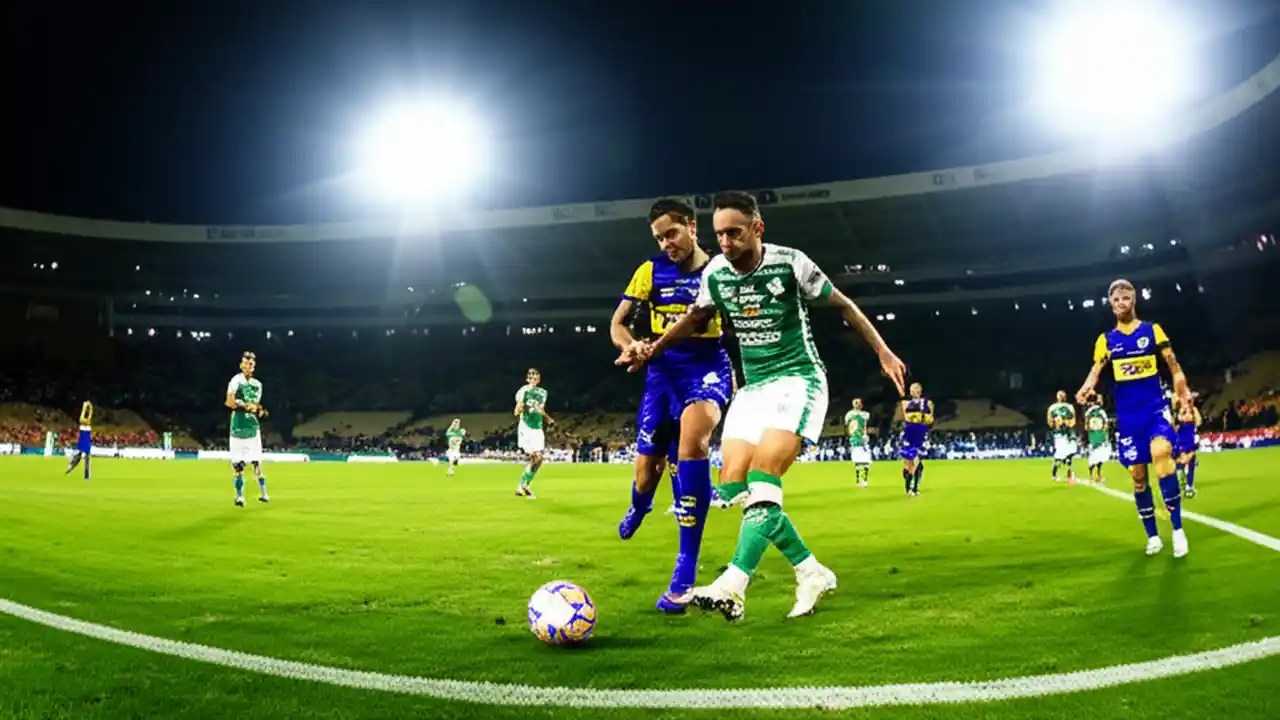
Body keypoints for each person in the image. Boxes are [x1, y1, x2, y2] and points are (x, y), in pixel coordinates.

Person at [623, 190, 906, 620]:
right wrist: (653, 349)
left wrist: (883, 352)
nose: (727, 243)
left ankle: (733, 584)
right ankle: (810, 571)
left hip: (798, 381)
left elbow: (843, 305)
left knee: (764, 474)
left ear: (758, 228)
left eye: (735, 233)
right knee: (734, 484)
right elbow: (696, 319)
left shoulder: (790, 262)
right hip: (753, 390)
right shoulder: (716, 272)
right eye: (720, 234)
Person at [611, 198, 734, 612]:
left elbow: (698, 321)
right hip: (661, 374)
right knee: (646, 474)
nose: (667, 243)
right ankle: (639, 506)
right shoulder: (649, 271)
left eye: (672, 233)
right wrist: (631, 346)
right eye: (659, 237)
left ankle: (685, 568)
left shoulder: (717, 269)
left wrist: (650, 348)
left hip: (706, 367)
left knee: (693, 443)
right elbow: (618, 323)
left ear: (692, 227)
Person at [1076, 279, 1191, 558]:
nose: (1120, 304)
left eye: (1125, 298)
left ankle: (1177, 530)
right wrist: (1086, 387)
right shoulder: (1106, 340)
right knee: (1138, 478)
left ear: (1134, 299)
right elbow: (1096, 369)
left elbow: (1174, 366)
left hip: (1154, 409)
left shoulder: (1152, 331)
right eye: (1115, 300)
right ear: (1110, 304)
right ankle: (1152, 536)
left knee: (1162, 453)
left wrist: (1182, 392)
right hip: (1128, 417)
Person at [225, 351, 269, 507]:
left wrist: (252, 407)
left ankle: (263, 493)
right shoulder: (235, 381)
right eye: (246, 363)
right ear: (241, 365)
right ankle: (239, 497)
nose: (248, 366)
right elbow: (229, 402)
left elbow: (255, 406)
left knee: (257, 463)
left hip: (252, 429)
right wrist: (242, 405)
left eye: (251, 364)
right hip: (237, 429)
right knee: (238, 466)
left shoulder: (258, 385)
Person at [513, 368, 554, 498]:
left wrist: (548, 418)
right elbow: (517, 410)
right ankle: (521, 486)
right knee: (534, 456)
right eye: (530, 377)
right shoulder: (523, 391)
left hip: (537, 428)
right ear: (527, 379)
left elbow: (540, 409)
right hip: (526, 427)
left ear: (539, 379)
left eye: (535, 377)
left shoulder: (543, 393)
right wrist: (519, 409)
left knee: (539, 459)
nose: (533, 379)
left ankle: (526, 484)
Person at [901, 383, 933, 496]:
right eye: (910, 390)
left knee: (916, 461)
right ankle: (909, 486)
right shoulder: (906, 403)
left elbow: (930, 419)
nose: (911, 391)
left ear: (919, 390)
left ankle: (913, 488)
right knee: (909, 462)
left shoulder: (926, 403)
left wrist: (923, 418)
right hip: (909, 433)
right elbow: (906, 418)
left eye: (913, 389)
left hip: (920, 433)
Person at [1047, 391, 1079, 483]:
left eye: (1063, 395)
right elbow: (1049, 422)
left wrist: (1066, 422)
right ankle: (1054, 474)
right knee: (1060, 454)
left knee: (1071, 452)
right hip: (1059, 434)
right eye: (1059, 395)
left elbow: (1073, 421)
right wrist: (1055, 422)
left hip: (1069, 434)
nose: (1061, 396)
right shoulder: (1052, 408)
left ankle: (1069, 474)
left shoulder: (1069, 407)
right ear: (1056, 396)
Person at [1174, 394, 1201, 498]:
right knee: (1185, 464)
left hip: (1186, 442)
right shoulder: (1183, 413)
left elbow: (1198, 422)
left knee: (1188, 463)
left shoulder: (1189, 411)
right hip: (1184, 442)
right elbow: (1175, 427)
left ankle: (1187, 483)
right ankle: (1185, 483)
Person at [843, 398, 872, 487]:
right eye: (856, 403)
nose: (858, 405)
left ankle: (865, 480)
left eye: (859, 403)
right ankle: (859, 480)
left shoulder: (864, 414)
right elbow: (847, 426)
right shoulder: (850, 414)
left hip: (863, 438)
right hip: (855, 439)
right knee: (857, 460)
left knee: (866, 460)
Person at [1083, 393, 1111, 484]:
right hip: (1100, 436)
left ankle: (1092, 476)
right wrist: (1104, 433)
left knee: (1094, 457)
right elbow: (1106, 424)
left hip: (1092, 437)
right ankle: (1097, 476)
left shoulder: (1088, 412)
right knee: (1100, 458)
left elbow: (1086, 427)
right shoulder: (1101, 411)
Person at [64, 400, 93, 479]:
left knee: (79, 457)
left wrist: (85, 406)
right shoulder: (87, 423)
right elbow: (90, 415)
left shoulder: (82, 423)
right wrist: (89, 407)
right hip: (86, 442)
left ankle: (71, 466)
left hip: (83, 441)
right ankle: (86, 476)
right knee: (87, 459)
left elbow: (85, 415)